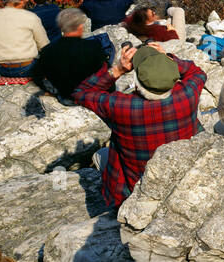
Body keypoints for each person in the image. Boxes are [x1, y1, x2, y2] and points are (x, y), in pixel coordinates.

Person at [72, 43, 205, 207]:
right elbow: (197, 72)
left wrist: (118, 69)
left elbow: (81, 92)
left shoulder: (120, 106)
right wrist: (165, 59)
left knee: (100, 154)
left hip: (138, 188)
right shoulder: (187, 94)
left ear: (136, 82)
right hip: (183, 174)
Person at [31, 7, 108, 100]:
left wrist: (51, 90)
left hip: (64, 97)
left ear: (60, 26)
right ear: (80, 26)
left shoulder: (48, 50)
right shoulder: (93, 46)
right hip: (89, 97)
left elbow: (36, 75)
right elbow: (105, 74)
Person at [0, 0, 49, 79]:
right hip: (27, 68)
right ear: (22, 0)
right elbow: (44, 46)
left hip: (2, 69)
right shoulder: (31, 17)